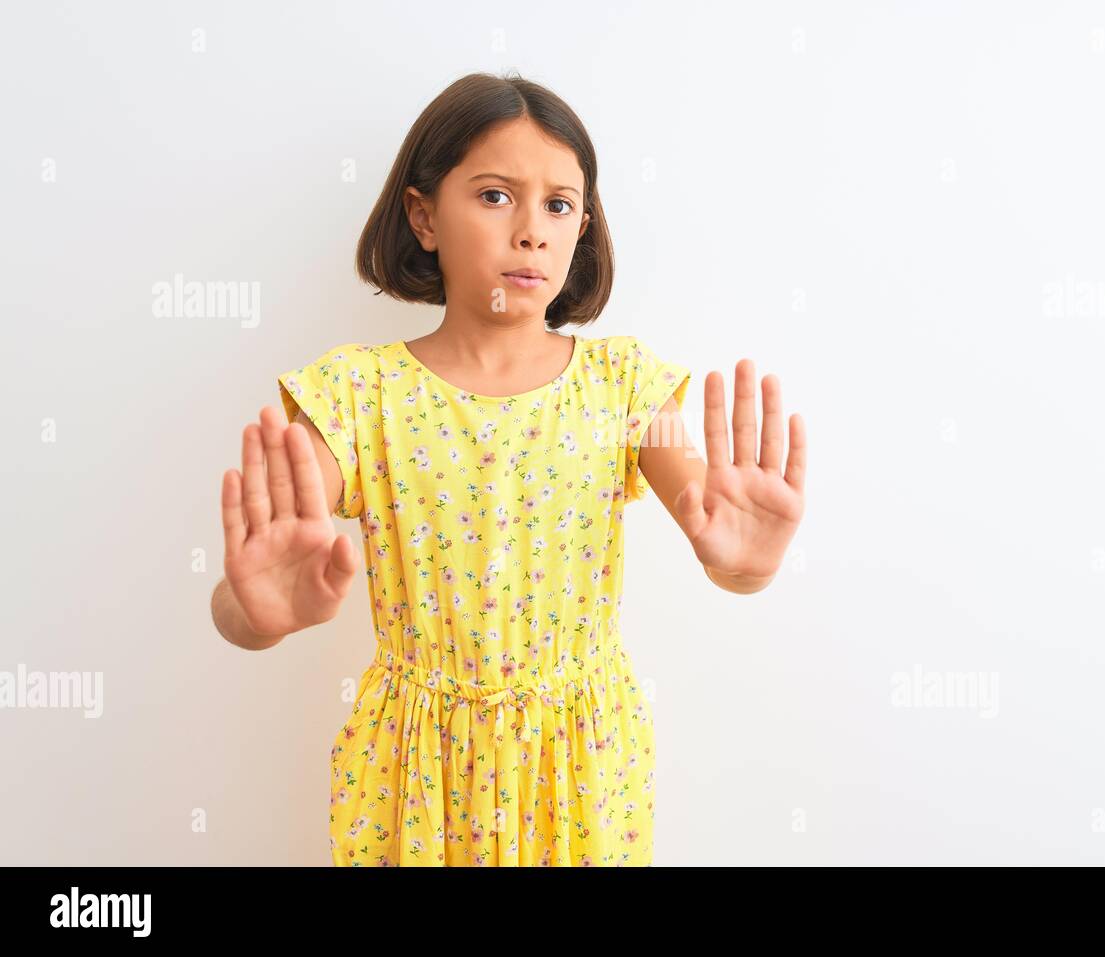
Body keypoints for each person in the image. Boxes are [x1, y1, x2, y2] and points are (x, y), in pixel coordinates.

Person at [210, 72, 807, 866]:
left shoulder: (625, 384)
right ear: (423, 215)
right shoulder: (357, 394)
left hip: (584, 772)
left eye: (559, 205)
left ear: (583, 227)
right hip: (414, 778)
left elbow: (719, 535)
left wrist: (747, 568)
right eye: (495, 196)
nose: (532, 230)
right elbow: (242, 606)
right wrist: (260, 613)